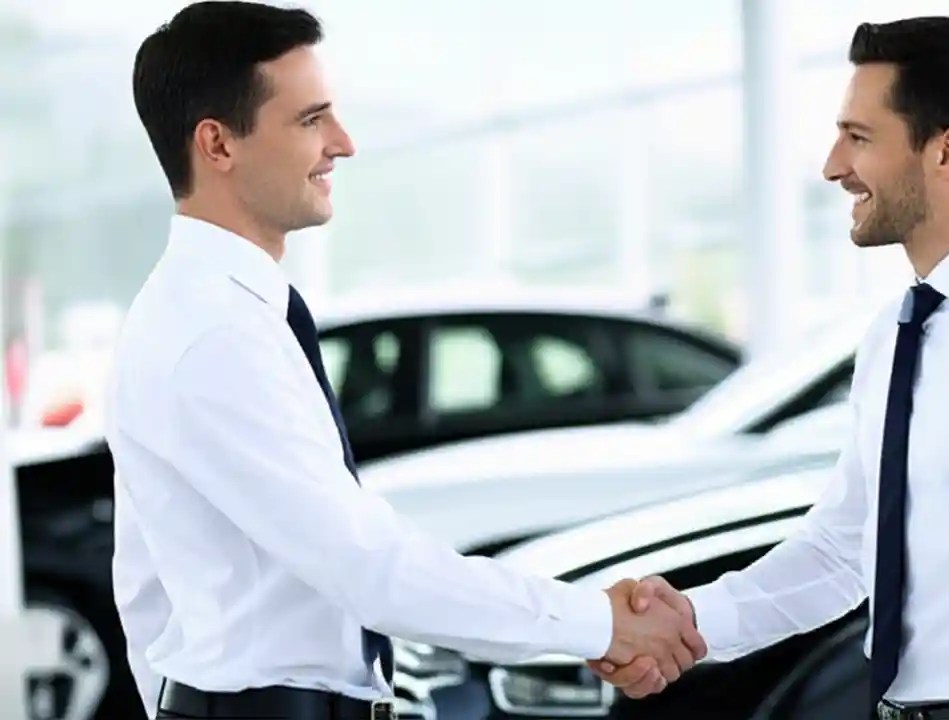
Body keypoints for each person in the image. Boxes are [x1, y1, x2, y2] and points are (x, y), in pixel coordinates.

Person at [107, 3, 701, 719]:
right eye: (310, 120)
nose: (343, 143)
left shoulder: (202, 311)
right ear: (218, 145)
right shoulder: (215, 333)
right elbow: (369, 565)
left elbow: (143, 582)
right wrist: (599, 622)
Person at [593, 16, 949, 720]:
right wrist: (687, 619)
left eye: (859, 138)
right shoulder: (897, 332)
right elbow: (841, 552)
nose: (834, 166)